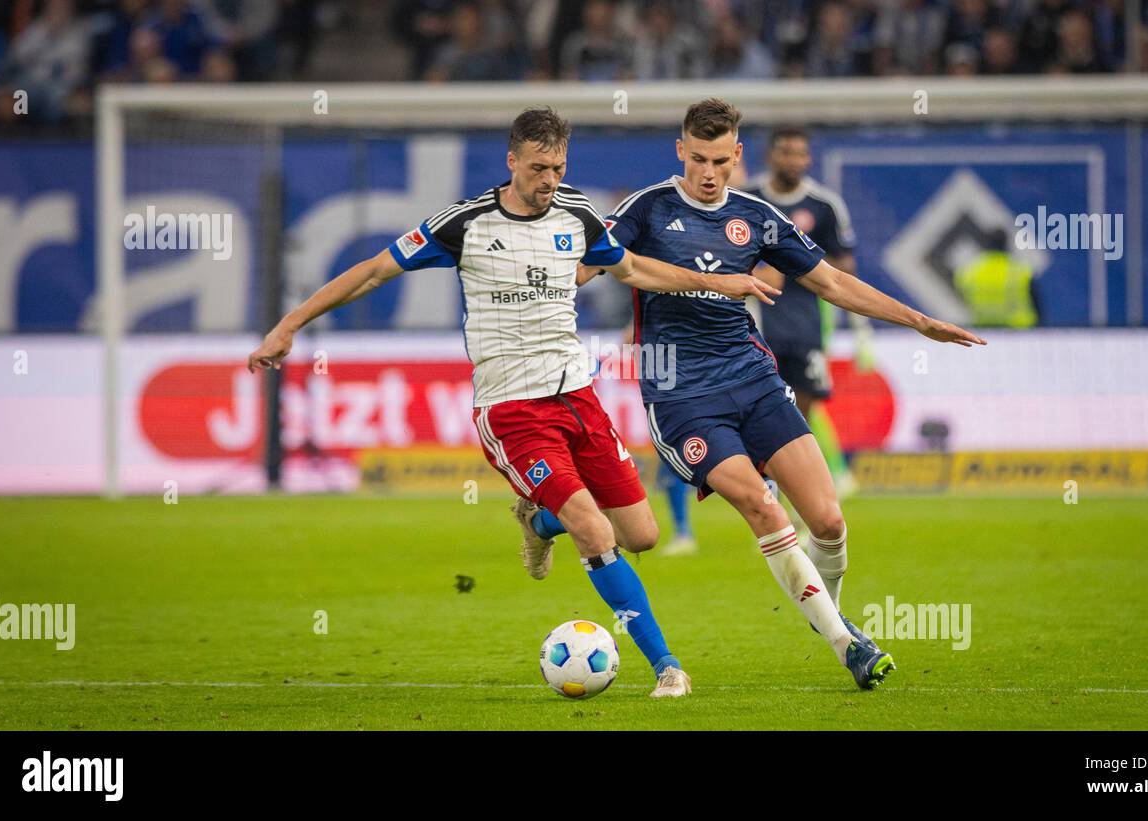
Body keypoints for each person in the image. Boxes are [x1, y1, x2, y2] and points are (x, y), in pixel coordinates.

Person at [247, 107, 779, 698]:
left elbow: (628, 268)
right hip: (512, 411)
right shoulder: (465, 224)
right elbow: (374, 272)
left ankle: (538, 519)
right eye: (537, 168)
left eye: (557, 168)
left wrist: (717, 280)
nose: (548, 180)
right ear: (511, 161)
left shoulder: (577, 214)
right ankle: (667, 667)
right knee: (592, 529)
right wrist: (290, 324)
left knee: (642, 535)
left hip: (579, 399)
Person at [567, 99, 986, 690]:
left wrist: (919, 321)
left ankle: (828, 614)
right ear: (680, 152)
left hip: (754, 380)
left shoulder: (756, 217)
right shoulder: (647, 209)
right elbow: (591, 267)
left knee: (830, 521)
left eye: (719, 161)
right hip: (682, 396)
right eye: (697, 159)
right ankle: (847, 644)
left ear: (737, 156)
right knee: (764, 506)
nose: (708, 173)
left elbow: (833, 282)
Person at [743, 127, 868, 509]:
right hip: (755, 321)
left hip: (807, 323)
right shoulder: (749, 199)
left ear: (808, 159)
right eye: (785, 152)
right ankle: (774, 493)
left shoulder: (824, 205)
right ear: (771, 156)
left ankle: (798, 494)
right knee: (764, 409)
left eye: (800, 154)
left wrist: (801, 261)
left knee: (802, 413)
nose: (793, 160)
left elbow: (845, 267)